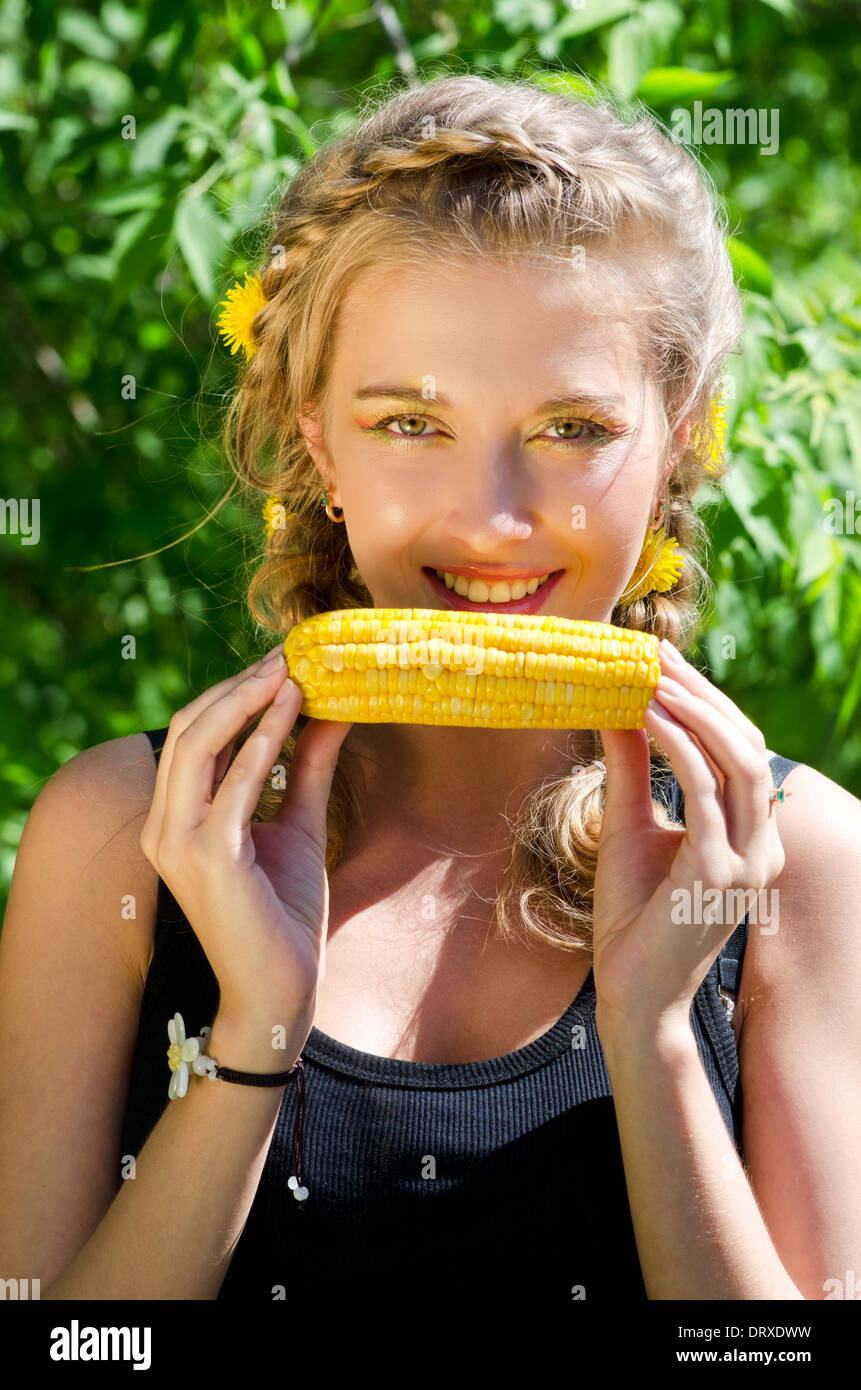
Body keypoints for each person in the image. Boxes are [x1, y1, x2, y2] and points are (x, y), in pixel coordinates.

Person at [1, 72, 859, 1308]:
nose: (494, 518)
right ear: (319, 448)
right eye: (410, 423)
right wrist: (253, 1041)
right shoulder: (120, 840)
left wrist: (657, 1031)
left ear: (679, 437)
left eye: (571, 427)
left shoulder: (798, 862)